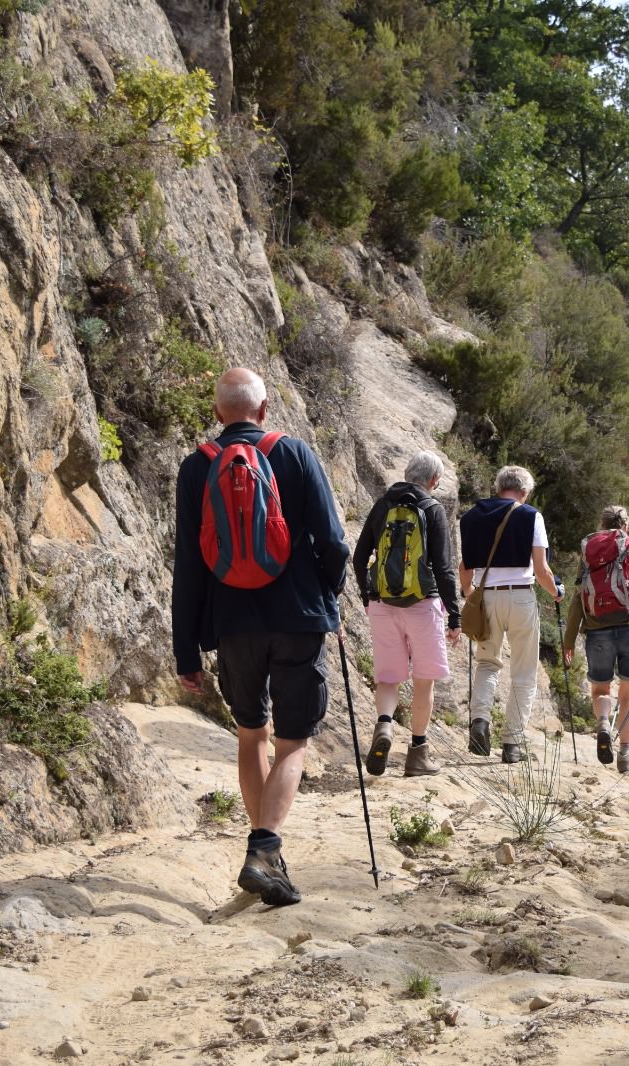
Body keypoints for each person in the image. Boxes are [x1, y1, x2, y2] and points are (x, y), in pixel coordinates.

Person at [172, 367, 349, 908]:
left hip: (231, 624)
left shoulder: (196, 467)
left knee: (254, 734)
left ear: (218, 411)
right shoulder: (293, 454)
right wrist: (329, 593)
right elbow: (334, 540)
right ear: (265, 410)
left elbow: (189, 565)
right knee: (294, 741)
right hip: (297, 618)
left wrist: (187, 649)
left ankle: (262, 852)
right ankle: (265, 850)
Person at [352, 450, 461, 777]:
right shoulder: (432, 509)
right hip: (423, 605)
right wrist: (454, 616)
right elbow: (443, 568)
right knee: (423, 682)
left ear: (406, 472)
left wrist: (368, 597)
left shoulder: (383, 504)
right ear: (434, 480)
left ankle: (384, 726)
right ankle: (417, 754)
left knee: (388, 677)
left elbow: (359, 558)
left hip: (383, 605)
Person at [458, 465, 562, 763]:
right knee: (524, 673)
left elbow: (465, 567)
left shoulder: (472, 517)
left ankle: (479, 722)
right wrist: (556, 592)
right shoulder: (531, 516)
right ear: (525, 492)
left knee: (487, 664)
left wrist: (470, 595)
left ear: (498, 486)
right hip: (520, 598)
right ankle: (512, 745)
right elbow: (541, 570)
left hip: (486, 598)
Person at [560, 505, 629, 773]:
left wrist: (568, 641)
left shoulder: (588, 552)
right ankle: (624, 754)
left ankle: (603, 723)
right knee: (628, 696)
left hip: (597, 631)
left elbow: (578, 599)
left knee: (600, 690)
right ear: (626, 526)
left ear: (602, 524)